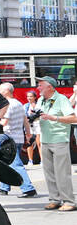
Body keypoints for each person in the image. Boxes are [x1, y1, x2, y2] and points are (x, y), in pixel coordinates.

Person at [34, 76, 77, 211]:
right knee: (49, 173)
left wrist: (54, 118)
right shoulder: (41, 100)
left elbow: (73, 118)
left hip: (59, 139)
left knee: (62, 173)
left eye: (41, 85)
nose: (38, 88)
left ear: (50, 87)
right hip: (45, 139)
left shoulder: (61, 99)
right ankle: (54, 199)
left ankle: (69, 201)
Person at [0, 83, 38, 198]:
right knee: (7, 162)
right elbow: (25, 120)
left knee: (16, 164)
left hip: (10, 138)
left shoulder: (9, 105)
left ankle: (28, 188)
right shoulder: (19, 103)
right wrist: (28, 134)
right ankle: (4, 187)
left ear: (6, 91)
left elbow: (4, 123)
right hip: (19, 137)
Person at [23, 90, 42, 165]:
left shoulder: (39, 105)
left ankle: (42, 160)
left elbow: (40, 114)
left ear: (35, 97)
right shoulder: (25, 106)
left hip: (38, 124)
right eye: (28, 96)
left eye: (31, 96)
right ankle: (30, 160)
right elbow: (24, 117)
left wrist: (33, 115)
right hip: (29, 126)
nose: (29, 98)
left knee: (39, 143)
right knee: (29, 144)